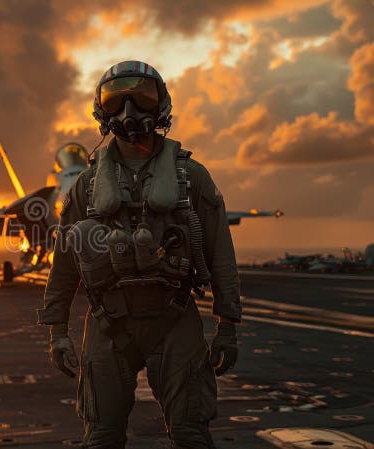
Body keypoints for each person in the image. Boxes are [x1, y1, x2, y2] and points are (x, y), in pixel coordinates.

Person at [37, 60, 241, 449]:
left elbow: (220, 253)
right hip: (107, 320)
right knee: (101, 436)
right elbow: (65, 264)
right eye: (115, 101)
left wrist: (228, 328)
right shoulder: (86, 184)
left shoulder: (191, 177)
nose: (128, 112)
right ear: (102, 110)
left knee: (190, 434)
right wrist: (57, 332)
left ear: (160, 105)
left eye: (141, 97)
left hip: (175, 316)